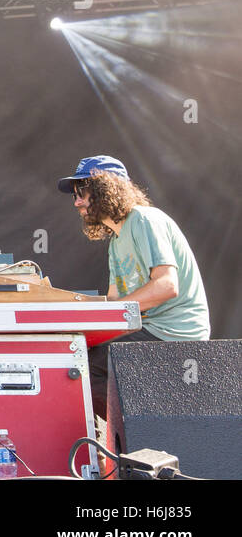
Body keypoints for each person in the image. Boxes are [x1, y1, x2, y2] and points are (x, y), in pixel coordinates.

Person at [58, 155, 210, 417]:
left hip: (175, 332)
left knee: (89, 364)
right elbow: (114, 302)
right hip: (149, 328)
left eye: (81, 192)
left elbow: (166, 286)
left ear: (106, 188)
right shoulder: (117, 240)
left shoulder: (144, 219)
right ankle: (110, 447)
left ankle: (129, 441)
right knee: (76, 353)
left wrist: (104, 316)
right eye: (74, 195)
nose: (77, 202)